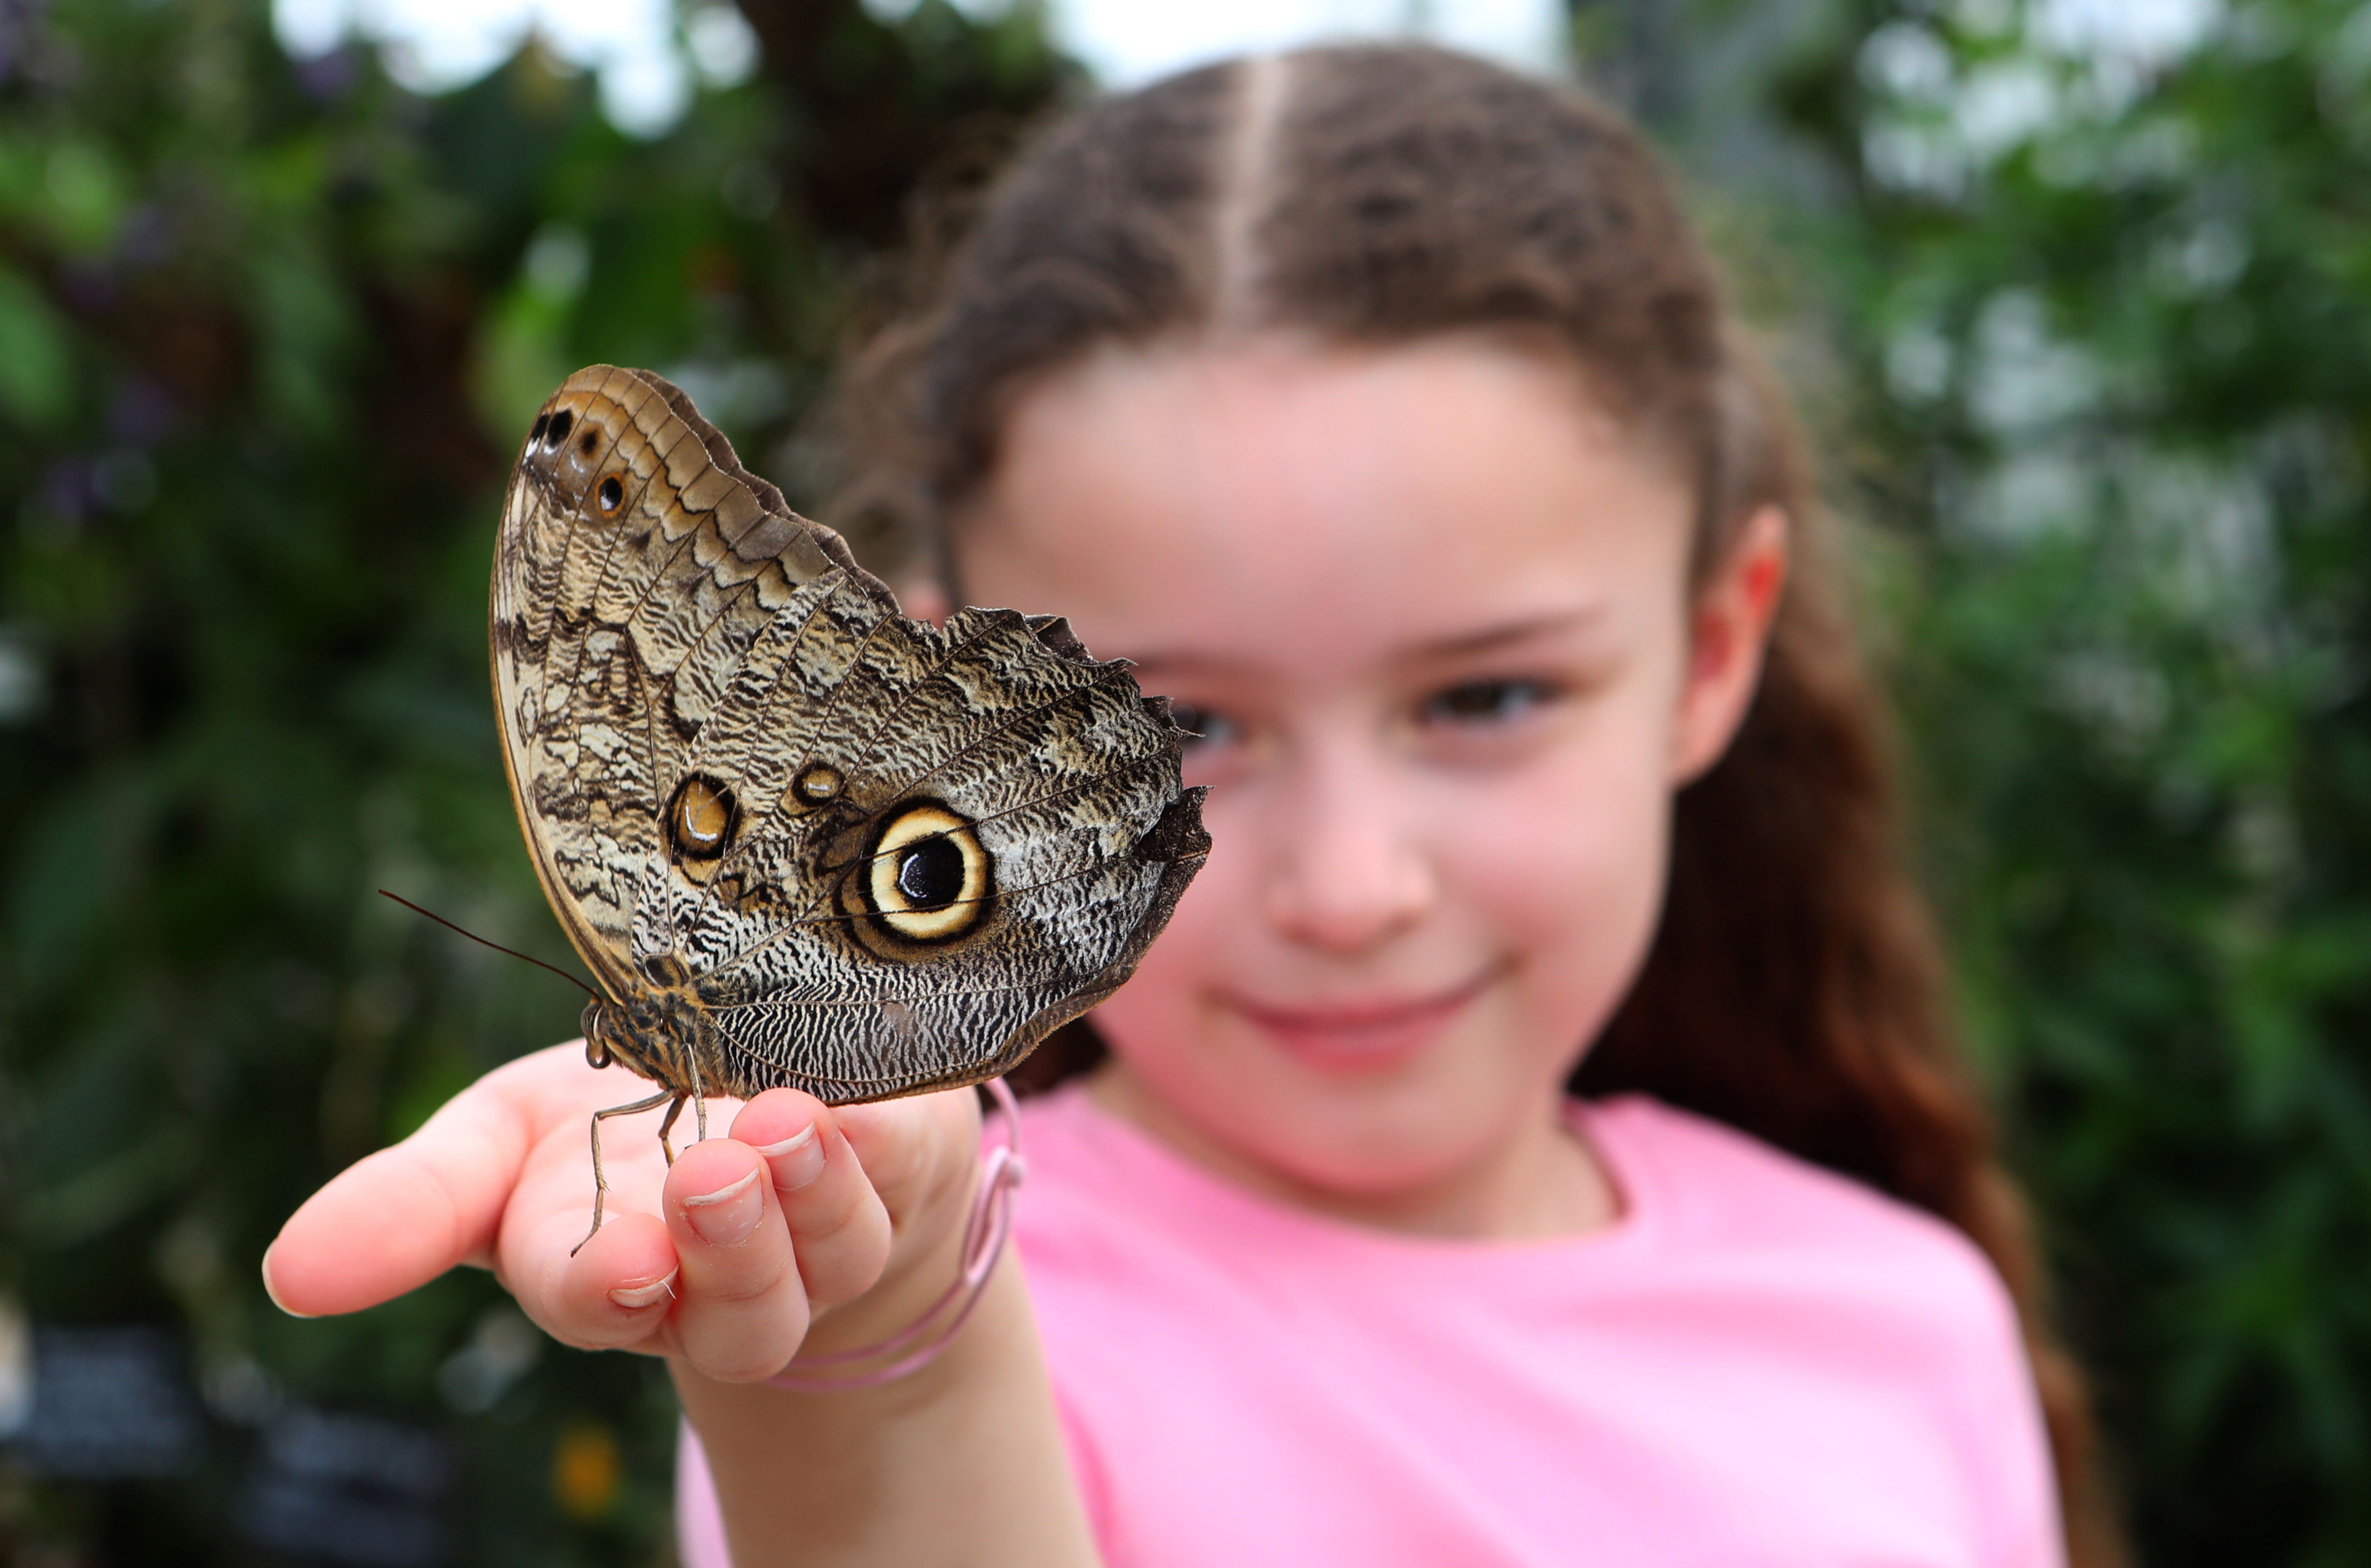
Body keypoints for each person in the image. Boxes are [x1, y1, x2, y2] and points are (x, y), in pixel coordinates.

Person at [265, 43, 2118, 1568]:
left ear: (1714, 651)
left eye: (1485, 697)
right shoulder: (936, 1290)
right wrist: (886, 1346)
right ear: (956, 717)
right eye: (1184, 726)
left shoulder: (1900, 1317)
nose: (1347, 886)